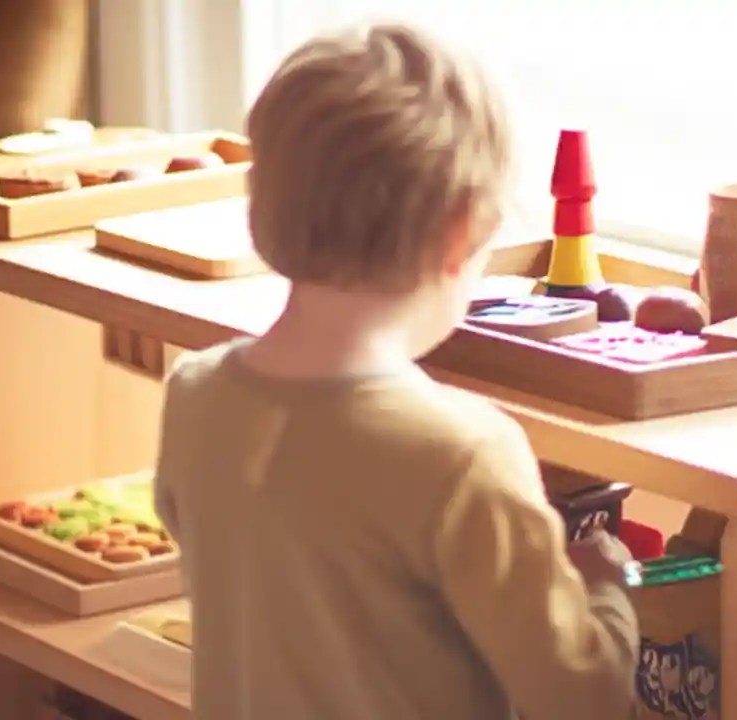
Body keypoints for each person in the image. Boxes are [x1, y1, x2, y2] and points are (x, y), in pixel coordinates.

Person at [153, 21, 639, 720]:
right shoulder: (463, 454)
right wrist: (607, 589)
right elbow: (580, 700)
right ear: (456, 233)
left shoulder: (197, 396)